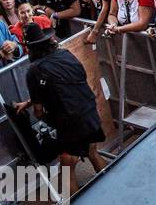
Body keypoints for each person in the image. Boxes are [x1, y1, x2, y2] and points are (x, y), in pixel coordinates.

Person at [11, 21, 107, 174]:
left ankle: (74, 199)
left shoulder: (34, 71)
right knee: (93, 153)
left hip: (70, 125)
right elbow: (70, 82)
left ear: (31, 48)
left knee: (67, 170)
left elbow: (38, 112)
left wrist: (54, 123)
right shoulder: (65, 54)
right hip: (90, 113)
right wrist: (29, 102)